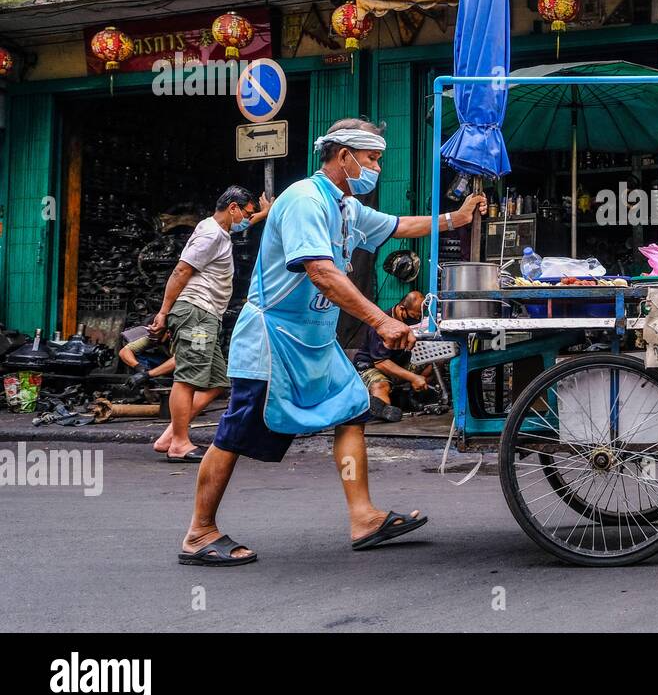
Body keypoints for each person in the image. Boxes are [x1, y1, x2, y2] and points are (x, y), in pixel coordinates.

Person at [178, 118, 486, 566]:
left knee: (353, 409)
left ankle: (363, 516)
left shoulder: (346, 206)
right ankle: (199, 532)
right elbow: (321, 273)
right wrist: (381, 321)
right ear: (344, 156)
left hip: (315, 341)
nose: (377, 168)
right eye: (372, 159)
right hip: (273, 340)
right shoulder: (305, 199)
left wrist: (452, 219)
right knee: (235, 431)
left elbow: (398, 224)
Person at [148, 187, 271, 462]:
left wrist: (264, 213)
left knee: (217, 380)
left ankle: (169, 435)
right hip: (196, 314)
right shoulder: (210, 235)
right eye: (246, 212)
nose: (246, 219)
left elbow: (245, 224)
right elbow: (182, 270)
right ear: (233, 208)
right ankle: (179, 443)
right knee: (188, 377)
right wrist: (163, 313)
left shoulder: (220, 230)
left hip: (206, 316)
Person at [355, 290, 435, 421]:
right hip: (371, 366)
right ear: (402, 309)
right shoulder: (381, 323)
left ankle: (410, 397)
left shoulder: (409, 322)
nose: (416, 320)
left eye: (419, 317)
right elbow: (381, 363)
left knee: (433, 362)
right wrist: (414, 377)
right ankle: (382, 411)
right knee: (381, 386)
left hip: (398, 363)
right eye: (414, 316)